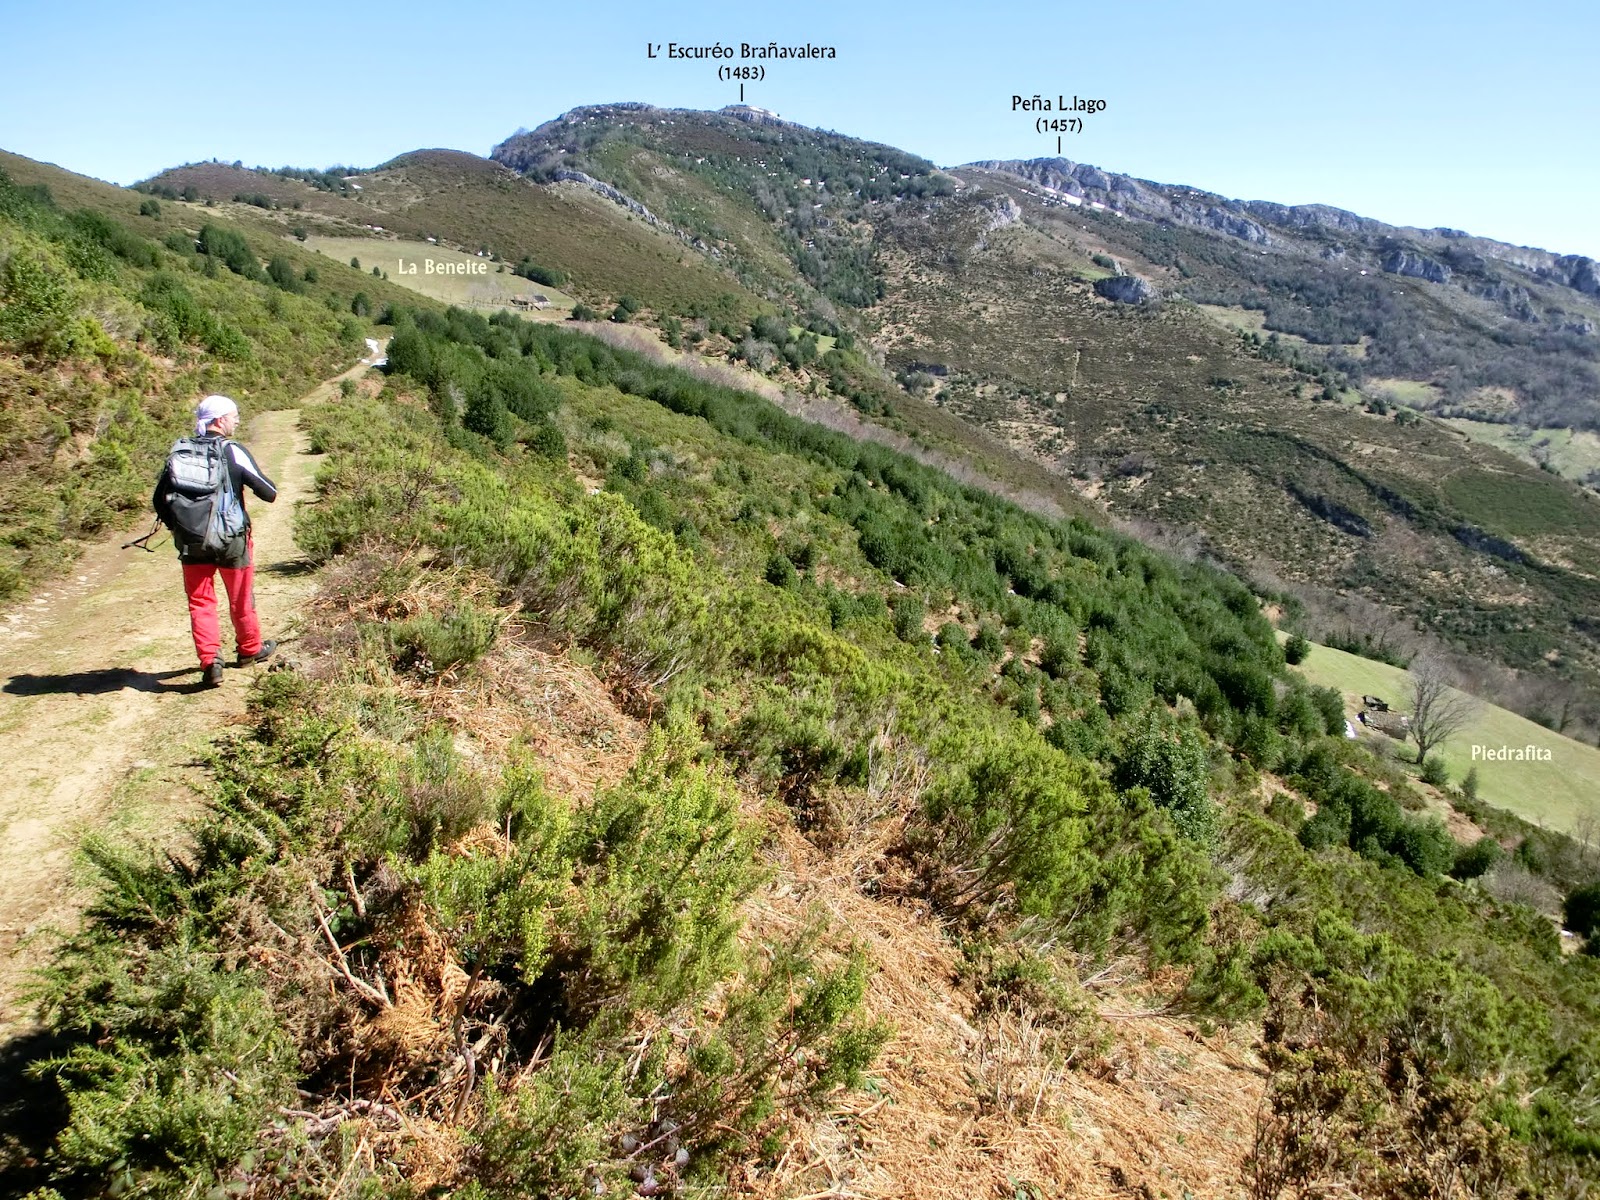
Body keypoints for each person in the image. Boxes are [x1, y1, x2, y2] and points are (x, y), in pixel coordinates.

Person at [152, 394, 278, 686]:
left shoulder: (180, 452)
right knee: (241, 596)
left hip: (191, 541)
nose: (237, 420)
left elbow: (159, 499)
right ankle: (249, 649)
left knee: (200, 602)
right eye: (234, 416)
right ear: (220, 420)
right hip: (232, 540)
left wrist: (180, 528)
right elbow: (269, 493)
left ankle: (210, 662)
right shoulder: (232, 450)